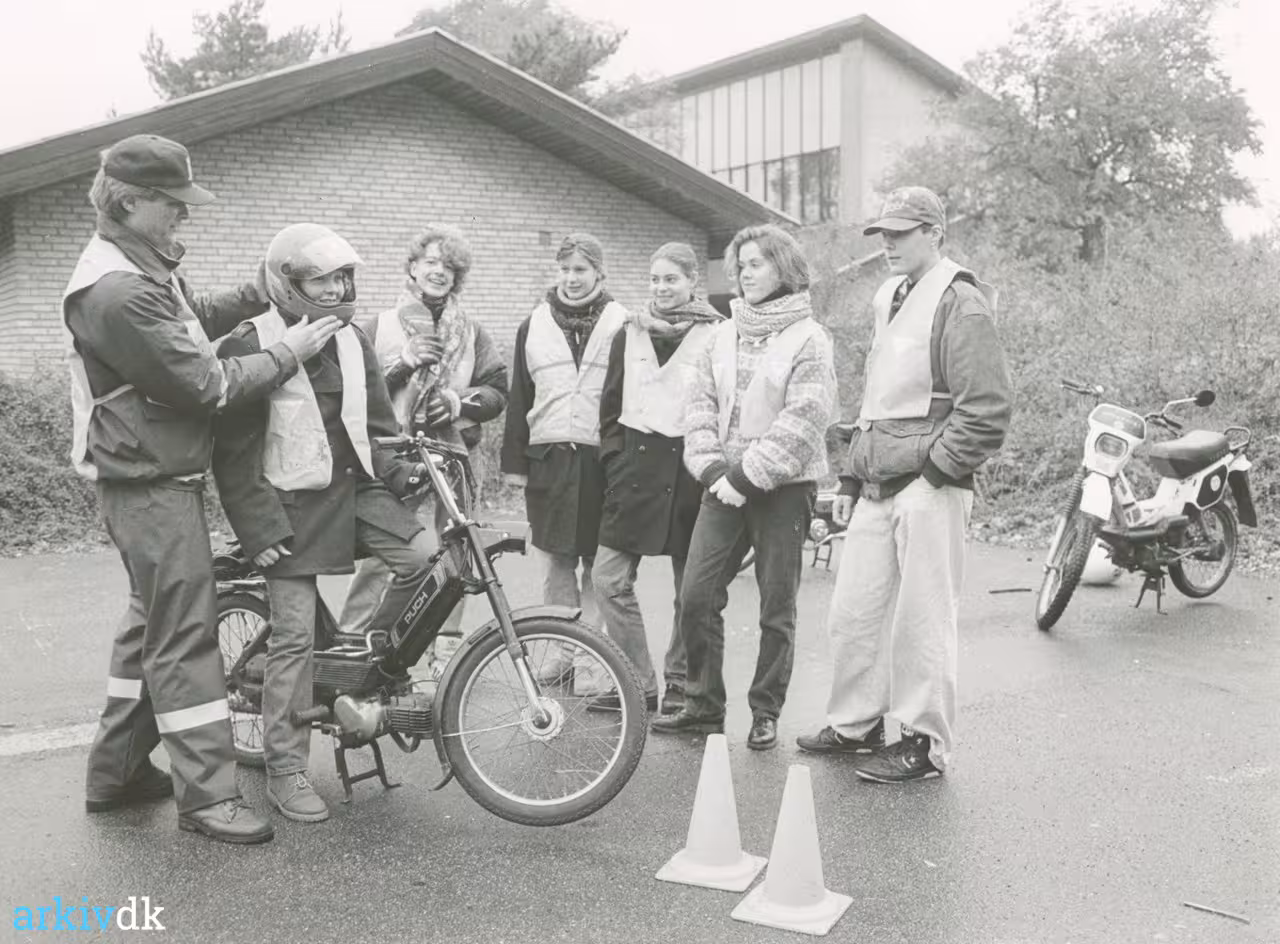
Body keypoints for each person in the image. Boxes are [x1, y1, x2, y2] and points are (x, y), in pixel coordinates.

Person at [67, 135, 343, 845]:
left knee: (147, 633)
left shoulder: (137, 266)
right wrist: (290, 351)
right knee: (187, 638)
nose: (183, 218)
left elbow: (194, 320)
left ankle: (118, 772)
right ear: (129, 201)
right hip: (151, 485)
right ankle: (208, 797)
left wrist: (263, 287)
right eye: (173, 205)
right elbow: (208, 383)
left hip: (151, 480)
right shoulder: (119, 292)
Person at [211, 223, 436, 824]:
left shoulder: (353, 337)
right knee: (292, 637)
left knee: (424, 557)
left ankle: (363, 665)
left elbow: (378, 428)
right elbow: (232, 459)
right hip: (286, 507)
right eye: (324, 278)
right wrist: (258, 533)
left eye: (343, 277)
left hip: (354, 491)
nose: (337, 288)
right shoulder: (248, 341)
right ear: (289, 284)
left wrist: (405, 471)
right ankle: (286, 769)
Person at [796, 186, 1011, 782]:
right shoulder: (890, 294)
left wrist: (934, 474)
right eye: (883, 233)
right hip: (875, 479)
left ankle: (923, 742)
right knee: (854, 612)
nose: (887, 242)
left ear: (935, 233)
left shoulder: (960, 301)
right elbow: (875, 395)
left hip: (927, 486)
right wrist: (849, 471)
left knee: (922, 619)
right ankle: (857, 725)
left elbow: (987, 409)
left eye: (901, 231)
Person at [651, 224, 837, 750]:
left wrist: (746, 477)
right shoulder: (720, 335)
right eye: (741, 265)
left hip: (783, 488)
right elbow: (701, 407)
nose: (745, 274)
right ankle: (703, 707)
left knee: (776, 607)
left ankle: (765, 710)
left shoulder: (810, 337)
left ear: (784, 268)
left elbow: (805, 419)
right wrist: (713, 472)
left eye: (756, 263)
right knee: (696, 596)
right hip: (721, 487)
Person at [338, 224, 508, 675]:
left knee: (455, 550)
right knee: (383, 551)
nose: (439, 271)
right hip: (392, 458)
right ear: (412, 267)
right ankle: (355, 641)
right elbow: (355, 391)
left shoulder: (471, 331)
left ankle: (442, 653)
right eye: (431, 261)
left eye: (449, 266)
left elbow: (496, 390)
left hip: (450, 455)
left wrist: (457, 402)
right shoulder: (378, 325)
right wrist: (403, 364)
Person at [589, 242, 726, 715]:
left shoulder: (717, 335)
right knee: (607, 579)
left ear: (692, 282)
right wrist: (614, 460)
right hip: (635, 474)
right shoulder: (628, 333)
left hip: (692, 475)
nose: (661, 288)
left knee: (690, 592)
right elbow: (609, 406)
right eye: (654, 279)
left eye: (671, 279)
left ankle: (680, 684)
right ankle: (637, 682)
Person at [500, 234, 628, 685]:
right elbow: (521, 397)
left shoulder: (622, 324)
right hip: (549, 460)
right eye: (565, 270)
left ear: (599, 273)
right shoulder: (532, 325)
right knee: (556, 562)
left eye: (581, 270)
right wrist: (515, 466)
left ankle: (593, 661)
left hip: (603, 460)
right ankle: (560, 653)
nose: (572, 279)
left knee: (597, 563)